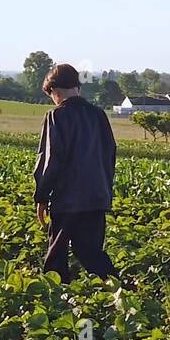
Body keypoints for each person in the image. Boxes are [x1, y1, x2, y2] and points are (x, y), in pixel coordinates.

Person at [33, 63, 119, 283]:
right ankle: (121, 294)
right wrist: (103, 191)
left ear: (55, 92)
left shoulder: (56, 117)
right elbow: (110, 154)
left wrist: (41, 196)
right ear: (77, 88)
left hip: (68, 200)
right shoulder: (99, 115)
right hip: (97, 198)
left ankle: (57, 301)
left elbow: (50, 160)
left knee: (56, 256)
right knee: (91, 253)